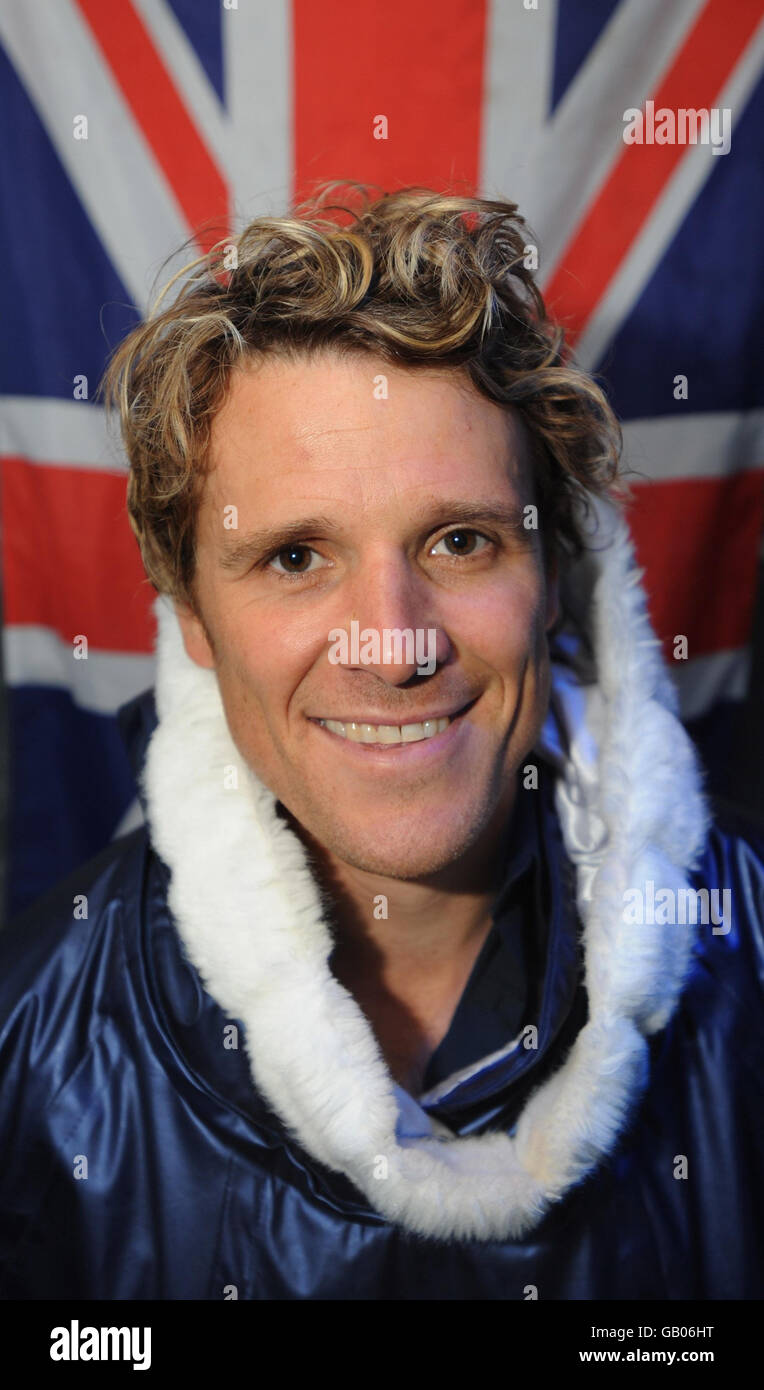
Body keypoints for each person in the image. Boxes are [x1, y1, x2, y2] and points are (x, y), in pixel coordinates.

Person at [1, 185, 762, 1301]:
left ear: (556, 583)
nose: (393, 643)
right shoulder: (30, 1050)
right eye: (296, 557)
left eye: (459, 540)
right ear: (193, 624)